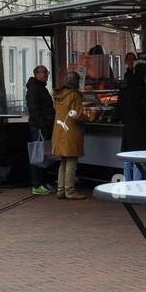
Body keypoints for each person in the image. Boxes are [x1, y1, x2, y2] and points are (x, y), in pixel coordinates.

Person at [53, 71, 87, 199]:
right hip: (71, 132)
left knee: (63, 161)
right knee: (72, 161)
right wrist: (86, 117)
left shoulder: (59, 95)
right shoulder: (74, 95)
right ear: (76, 83)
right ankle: (70, 191)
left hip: (60, 131)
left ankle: (61, 190)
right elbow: (77, 115)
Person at [118, 53, 146, 181]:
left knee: (127, 161)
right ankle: (137, 187)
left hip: (127, 130)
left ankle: (128, 186)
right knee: (138, 161)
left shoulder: (124, 89)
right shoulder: (141, 91)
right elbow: (145, 109)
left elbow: (118, 111)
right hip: (140, 130)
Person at [25, 65, 55, 195]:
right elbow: (34, 110)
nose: (46, 75)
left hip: (43, 127)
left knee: (44, 156)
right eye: (43, 72)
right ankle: (37, 184)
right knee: (38, 155)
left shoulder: (41, 88)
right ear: (36, 74)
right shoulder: (34, 89)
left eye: (46, 72)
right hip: (39, 128)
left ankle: (43, 182)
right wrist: (43, 126)